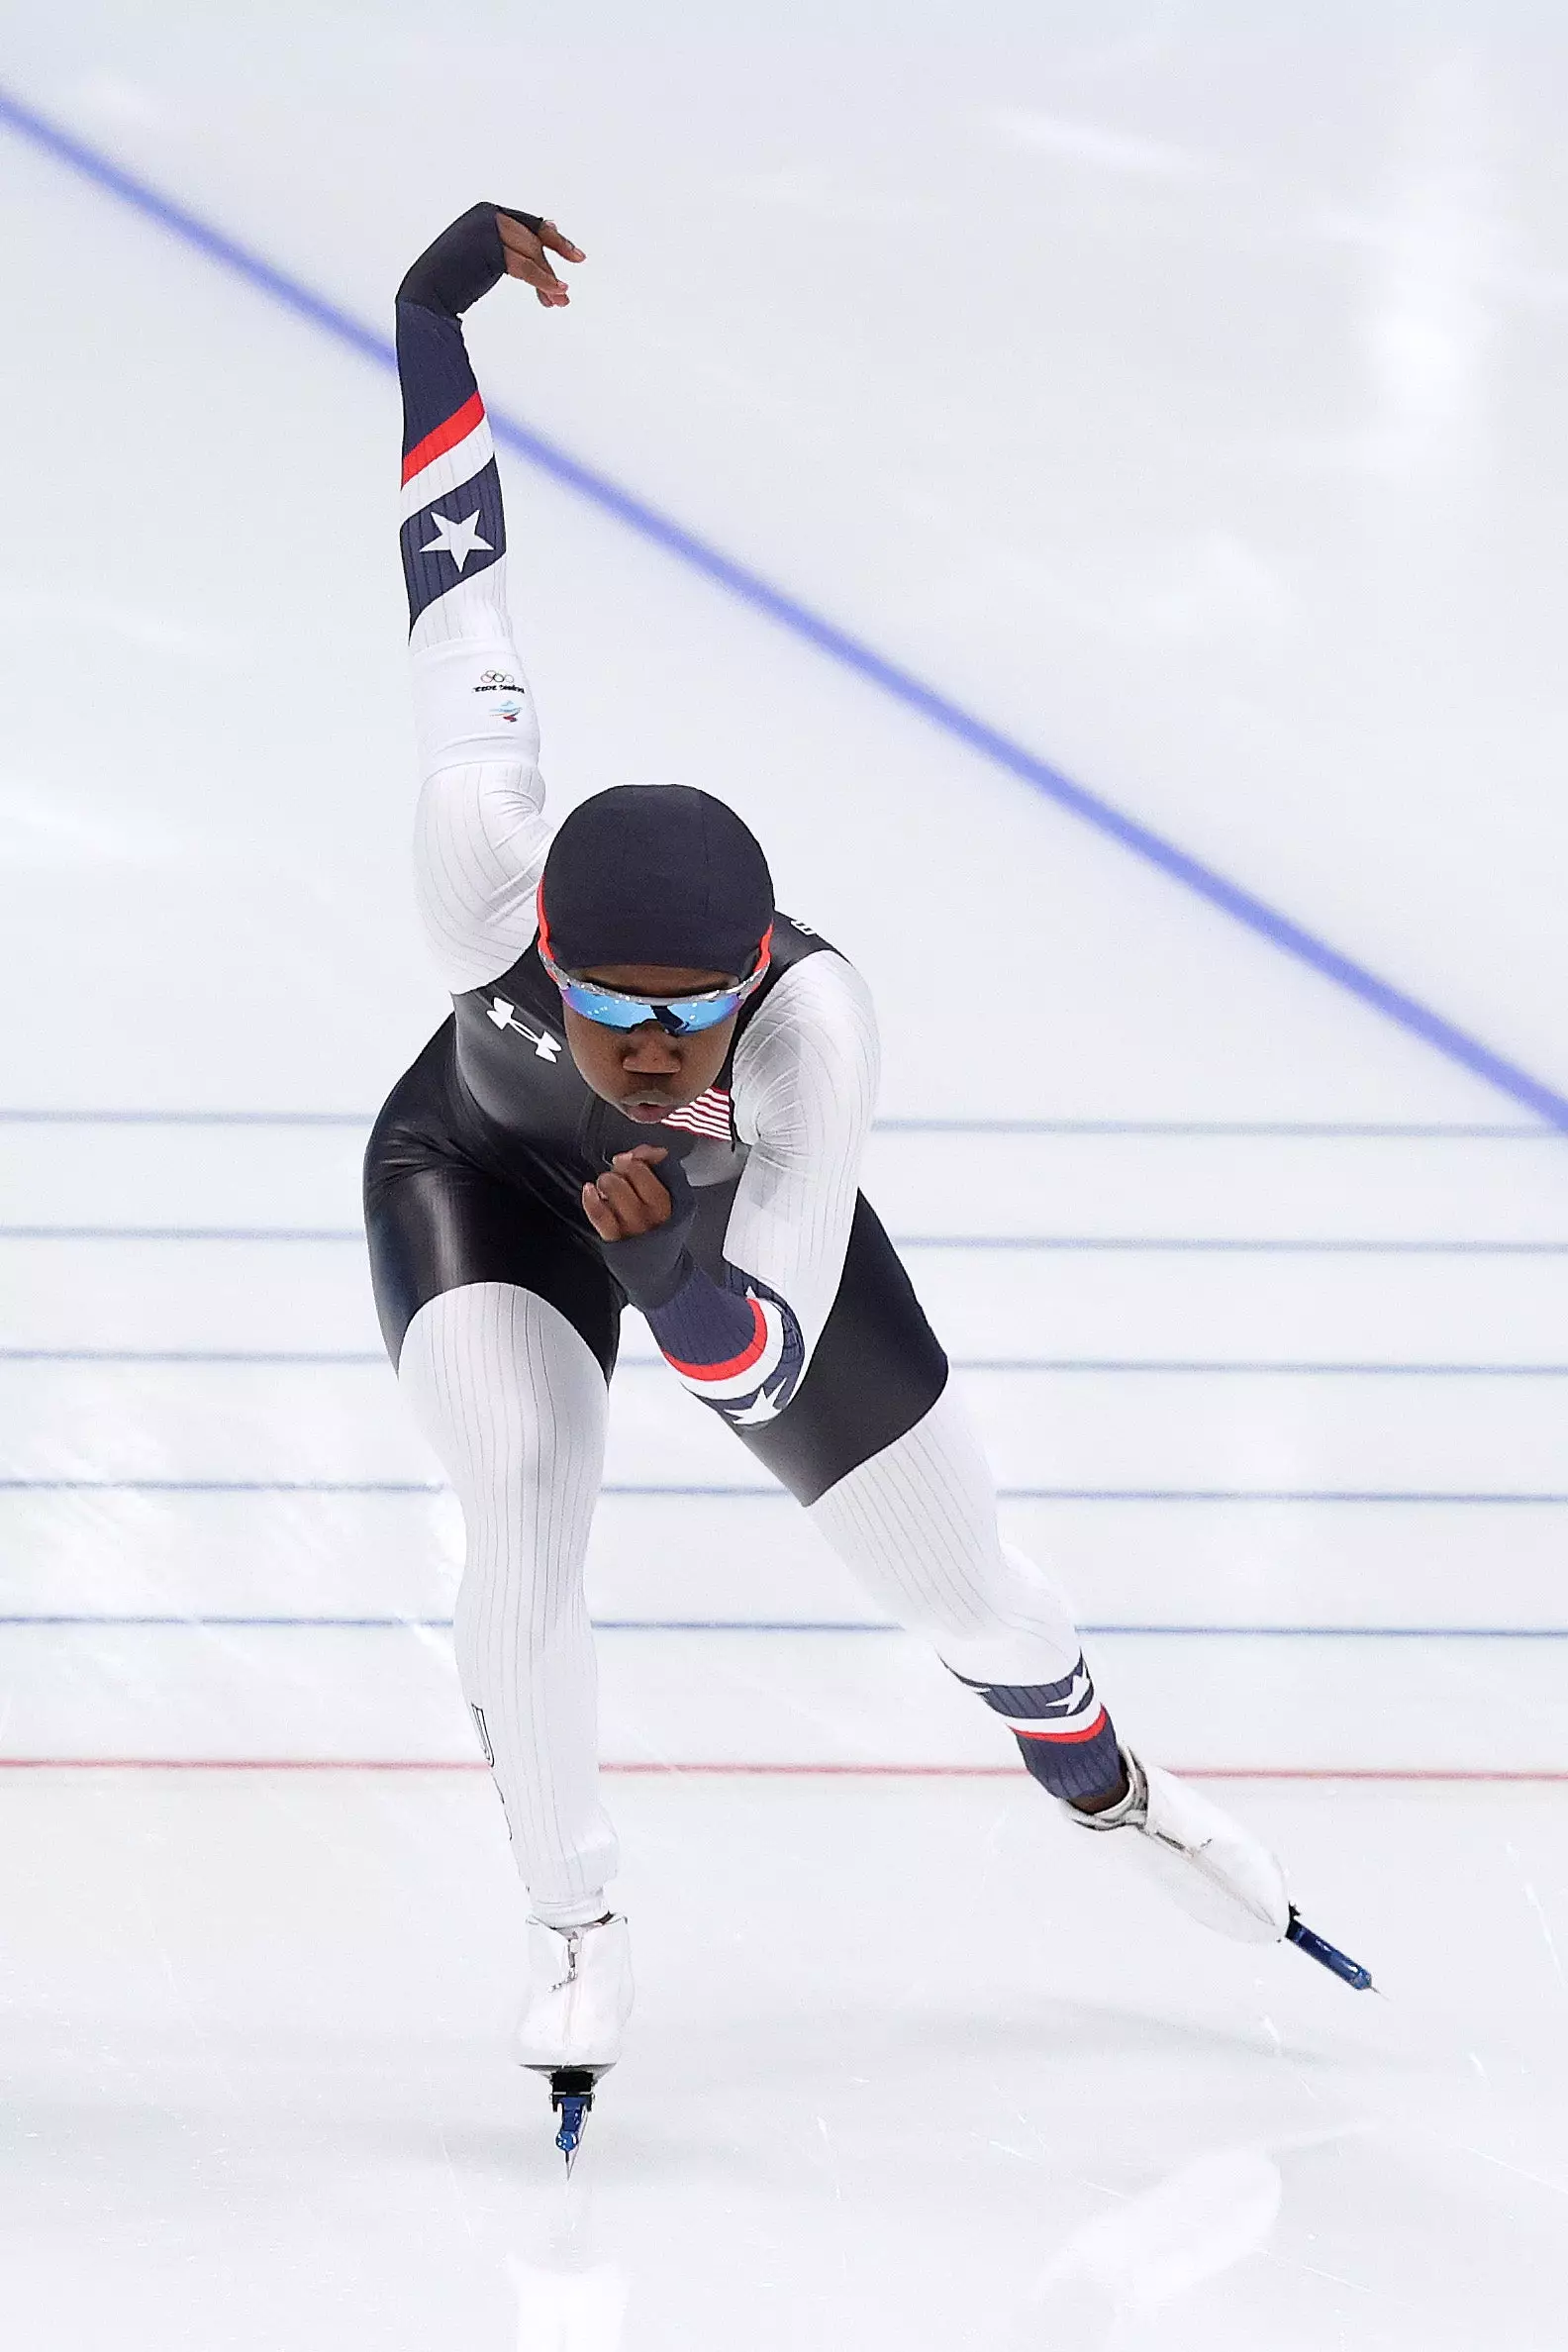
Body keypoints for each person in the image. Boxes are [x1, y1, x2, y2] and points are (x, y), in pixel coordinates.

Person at [365, 201, 1344, 2155]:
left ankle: (1108, 1784)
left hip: (728, 1265)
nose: (648, 1050)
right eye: (606, 1003)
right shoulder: (478, 849)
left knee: (977, 1595)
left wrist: (679, 1292)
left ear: (757, 980)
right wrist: (430, 305)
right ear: (538, 938)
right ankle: (579, 1923)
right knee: (523, 1520)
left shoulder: (821, 1039)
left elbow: (773, 1356)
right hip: (479, 1174)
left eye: (688, 1016)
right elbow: (453, 591)